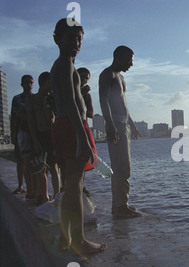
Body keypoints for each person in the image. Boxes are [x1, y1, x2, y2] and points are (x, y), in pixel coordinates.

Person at [50, 18, 106, 254]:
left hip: (67, 125)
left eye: (80, 38)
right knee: (75, 185)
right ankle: (80, 240)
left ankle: (65, 238)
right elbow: (72, 103)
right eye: (71, 37)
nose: (77, 42)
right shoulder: (65, 65)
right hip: (73, 126)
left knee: (71, 184)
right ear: (57, 39)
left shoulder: (63, 65)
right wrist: (82, 137)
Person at [99, 46, 142, 218]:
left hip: (123, 124)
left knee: (125, 166)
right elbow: (104, 100)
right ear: (119, 57)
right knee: (120, 166)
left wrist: (132, 125)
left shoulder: (121, 78)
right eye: (129, 60)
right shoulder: (107, 75)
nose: (131, 64)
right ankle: (119, 206)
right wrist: (110, 125)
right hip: (115, 122)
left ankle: (121, 203)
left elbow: (124, 104)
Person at [26, 71, 60, 205]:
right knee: (41, 167)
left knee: (53, 166)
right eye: (51, 82)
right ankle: (43, 194)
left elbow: (51, 118)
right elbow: (30, 121)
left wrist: (47, 103)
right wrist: (34, 140)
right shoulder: (32, 99)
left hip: (50, 135)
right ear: (44, 83)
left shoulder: (51, 99)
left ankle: (56, 195)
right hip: (38, 135)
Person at [10, 75, 34, 197]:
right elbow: (13, 118)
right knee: (20, 160)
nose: (28, 85)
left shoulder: (35, 98)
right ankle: (20, 185)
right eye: (26, 83)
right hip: (21, 133)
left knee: (33, 161)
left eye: (31, 83)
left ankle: (34, 187)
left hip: (33, 133)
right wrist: (13, 134)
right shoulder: (17, 99)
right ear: (22, 84)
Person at [78, 67, 93, 197]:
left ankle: (81, 186)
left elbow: (90, 113)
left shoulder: (87, 95)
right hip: (70, 127)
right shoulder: (69, 90)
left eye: (86, 78)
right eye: (82, 77)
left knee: (84, 159)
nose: (84, 80)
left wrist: (83, 95)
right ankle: (67, 186)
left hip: (83, 125)